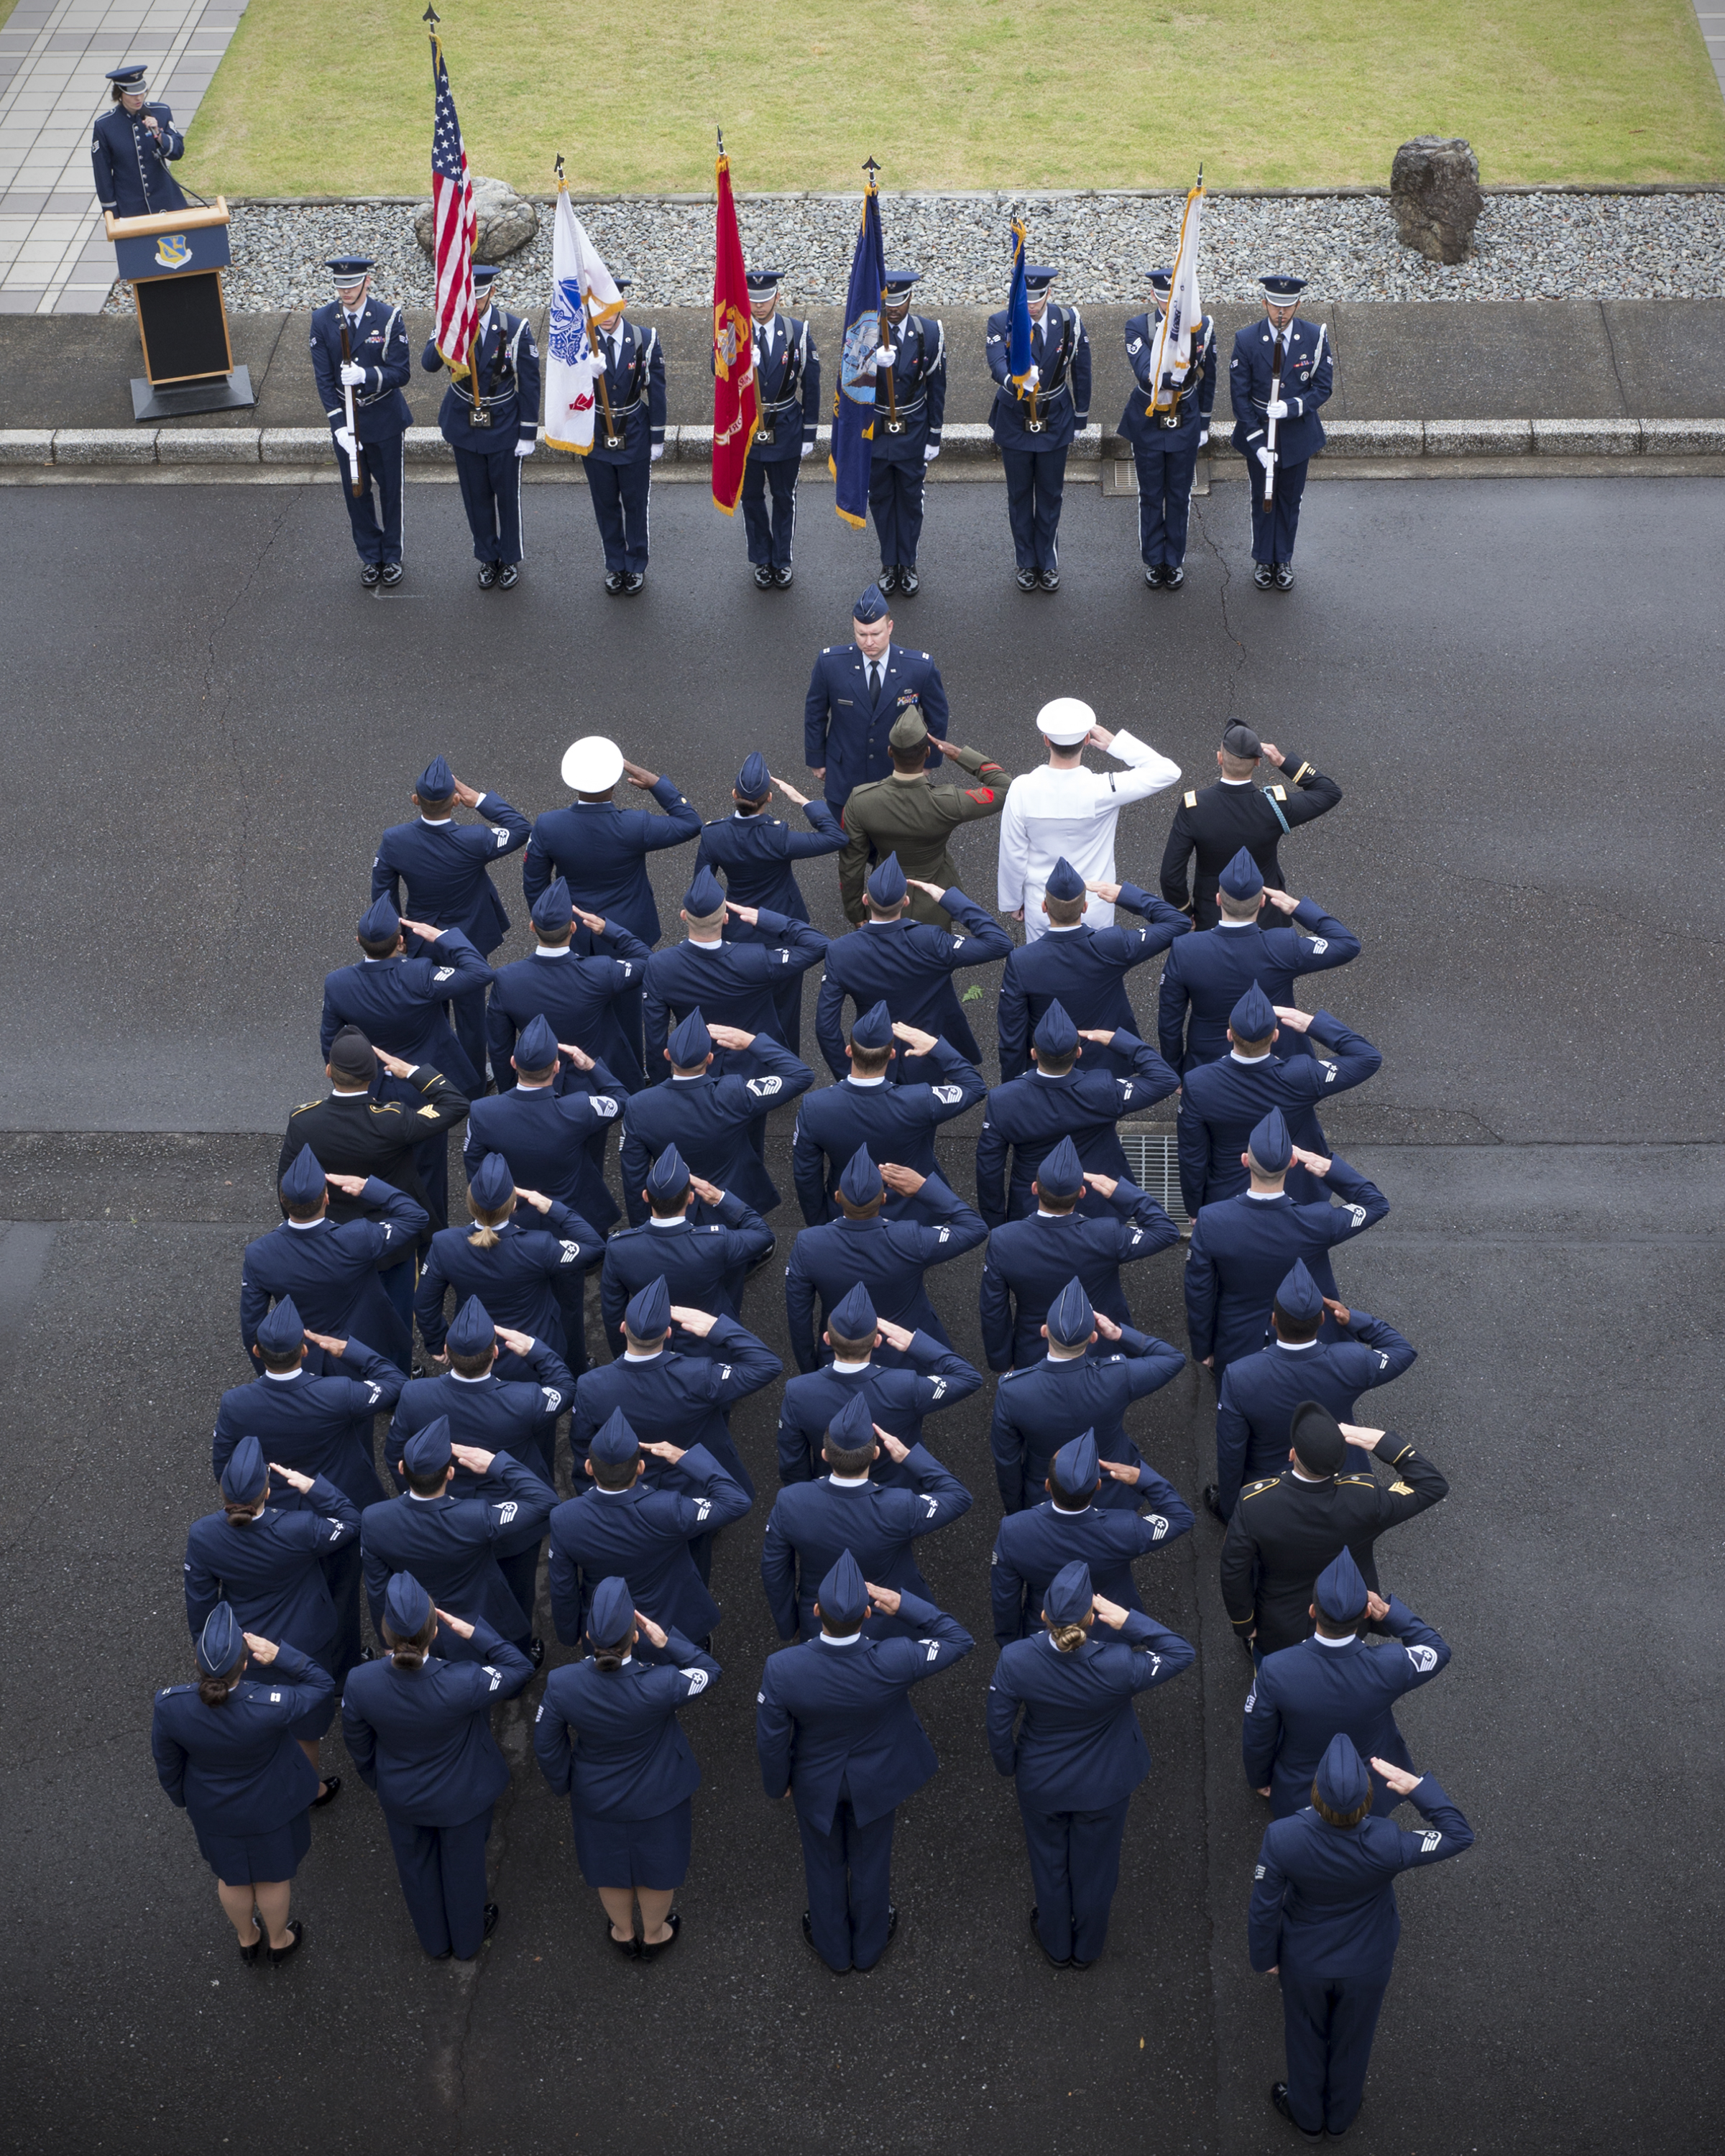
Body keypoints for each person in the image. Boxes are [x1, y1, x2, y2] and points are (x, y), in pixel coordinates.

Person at [756, 1549, 972, 1973]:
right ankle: (869, 1947)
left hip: (815, 1781)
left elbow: (771, 1738)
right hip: (876, 1779)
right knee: (872, 1861)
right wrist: (904, 1602)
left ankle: (833, 1948)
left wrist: (776, 1783)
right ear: (869, 1615)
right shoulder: (895, 1658)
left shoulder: (782, 1668)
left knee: (823, 1864)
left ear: (816, 1612)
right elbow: (958, 1638)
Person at [1249, 1734, 1474, 2139]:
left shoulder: (1283, 1837)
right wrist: (1420, 1789)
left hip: (1305, 1960)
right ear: (1368, 1796)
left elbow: (1265, 1904)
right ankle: (1340, 2117)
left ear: (1315, 1793)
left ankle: (1306, 2116)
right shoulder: (1389, 1843)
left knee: (1304, 2038)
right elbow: (1458, 1835)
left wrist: (1264, 1956)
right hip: (1367, 1961)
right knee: (1354, 2041)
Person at [988, 1560, 1193, 1968]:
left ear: (1044, 1615)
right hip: (1106, 1784)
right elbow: (1179, 1652)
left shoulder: (1015, 1659)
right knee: (1096, 1870)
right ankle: (1087, 1950)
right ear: (1092, 1618)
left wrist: (1011, 1765)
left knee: (1049, 1865)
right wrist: (1127, 1620)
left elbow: (998, 1725)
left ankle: (1056, 1943)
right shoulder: (1118, 1664)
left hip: (1041, 1782)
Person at [342, 1572, 535, 1961]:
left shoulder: (360, 1681)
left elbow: (358, 1744)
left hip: (401, 1794)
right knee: (464, 1872)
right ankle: (467, 1943)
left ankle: (434, 1942)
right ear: (434, 1631)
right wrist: (475, 1633)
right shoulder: (462, 1680)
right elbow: (519, 1666)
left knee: (416, 1870)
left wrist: (379, 1780)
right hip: (464, 1795)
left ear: (386, 1632)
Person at [213, 1296, 402, 1682]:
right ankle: (342, 1663)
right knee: (343, 1588)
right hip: (338, 1502)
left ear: (256, 1352)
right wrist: (350, 1349)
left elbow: (224, 1464)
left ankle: (288, 1659)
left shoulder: (236, 1403)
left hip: (273, 1510)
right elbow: (393, 1382)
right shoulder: (336, 1393)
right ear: (304, 1350)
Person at [534, 1575, 721, 1959]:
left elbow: (546, 1743)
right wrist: (668, 1642)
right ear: (635, 1636)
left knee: (609, 1868)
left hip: (596, 1794)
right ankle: (655, 1933)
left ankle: (622, 1931)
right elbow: (708, 1669)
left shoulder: (562, 1683)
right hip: (661, 1793)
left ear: (588, 1634)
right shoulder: (662, 1683)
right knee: (659, 1866)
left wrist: (563, 1783)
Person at [183, 1438, 359, 1805]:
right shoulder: (300, 1527)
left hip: (243, 1641)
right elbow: (350, 1521)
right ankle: (311, 1789)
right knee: (306, 1723)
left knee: (253, 1711)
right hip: (306, 1637)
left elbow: (200, 1601)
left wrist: (211, 1647)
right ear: (267, 1490)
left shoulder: (203, 1535)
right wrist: (313, 1486)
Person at [151, 1603, 328, 1966]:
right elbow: (321, 1683)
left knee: (232, 1879)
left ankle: (248, 1938)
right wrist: (280, 1655)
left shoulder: (170, 1705)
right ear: (245, 1664)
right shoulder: (271, 1706)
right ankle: (279, 1940)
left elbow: (167, 1763)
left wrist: (181, 1798)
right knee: (273, 1878)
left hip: (213, 1809)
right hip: (271, 1806)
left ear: (199, 1664)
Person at [389, 1295, 575, 1623]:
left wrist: (420, 1503)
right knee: (517, 1599)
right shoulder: (523, 1399)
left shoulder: (415, 1395)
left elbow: (395, 1455)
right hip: (514, 1519)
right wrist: (534, 1348)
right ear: (496, 1352)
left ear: (447, 1352)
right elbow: (564, 1387)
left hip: (445, 1518)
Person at [1220, 1403, 1449, 1660]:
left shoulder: (1255, 1503)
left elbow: (1234, 1569)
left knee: (1273, 1677)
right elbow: (1430, 1484)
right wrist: (1379, 1440)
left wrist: (1244, 1622)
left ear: (1292, 1454)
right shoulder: (1365, 1499)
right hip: (1347, 1617)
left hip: (1278, 1625)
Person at [523, 735, 700, 1062]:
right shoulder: (635, 824)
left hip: (570, 929)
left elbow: (534, 882)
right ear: (615, 783)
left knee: (574, 1001)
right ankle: (632, 1068)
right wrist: (658, 785)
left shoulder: (549, 824)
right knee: (628, 1008)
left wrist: (549, 922)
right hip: (626, 930)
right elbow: (690, 823)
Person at [278, 1027, 467, 1327]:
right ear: (374, 1075)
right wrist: (413, 1072)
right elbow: (455, 1104)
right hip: (393, 1241)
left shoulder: (303, 1121)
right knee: (396, 1319)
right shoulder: (393, 1120)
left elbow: (287, 1188)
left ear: (329, 1071)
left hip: (332, 1241)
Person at [1243, 1549, 1451, 1820]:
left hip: (1300, 1789)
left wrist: (1259, 1778)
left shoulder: (1276, 1669)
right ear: (1367, 1613)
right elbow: (1437, 1649)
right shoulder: (1391, 1665)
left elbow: (1258, 1734)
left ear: (1312, 1611)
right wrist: (1389, 1613)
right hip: (1370, 1789)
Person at [1184, 1111, 1389, 1380]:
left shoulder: (1212, 1220)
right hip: (1310, 1340)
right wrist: (1327, 1167)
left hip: (1238, 1341)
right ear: (1293, 1162)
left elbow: (1198, 1289)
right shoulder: (1318, 1221)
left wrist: (1203, 1347)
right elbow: (1375, 1204)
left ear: (1245, 1161)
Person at [316, 903, 488, 1222]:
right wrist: (445, 938)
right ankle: (430, 1240)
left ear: (358, 941)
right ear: (400, 941)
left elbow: (331, 1042)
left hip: (370, 1089)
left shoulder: (338, 983)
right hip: (425, 1089)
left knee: (378, 1166)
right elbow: (479, 973)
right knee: (429, 1174)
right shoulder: (418, 973)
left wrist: (346, 1084)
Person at [370, 755, 532, 1087]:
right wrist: (481, 800)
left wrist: (397, 933)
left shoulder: (395, 839)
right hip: (469, 936)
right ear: (456, 801)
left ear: (416, 800)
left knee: (429, 1010)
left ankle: (433, 1076)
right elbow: (520, 828)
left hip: (419, 936)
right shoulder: (476, 840)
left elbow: (383, 893)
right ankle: (473, 1079)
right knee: (472, 1013)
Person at [1211, 1259, 1416, 1521]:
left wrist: (1231, 1508)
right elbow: (1401, 1351)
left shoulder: (1240, 1375)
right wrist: (1353, 1319)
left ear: (1273, 1320)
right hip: (1339, 1476)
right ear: (1322, 1319)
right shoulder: (1352, 1361)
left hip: (1270, 1487)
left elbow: (1231, 1450)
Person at [761, 1391, 972, 1641]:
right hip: (888, 1623)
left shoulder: (790, 1502)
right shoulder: (899, 1505)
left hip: (820, 1619)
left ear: (825, 1455)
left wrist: (788, 1626)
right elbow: (958, 1497)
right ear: (875, 1454)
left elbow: (774, 1569)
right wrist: (909, 1456)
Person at [548, 1407, 750, 1652]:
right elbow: (736, 1501)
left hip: (606, 1628)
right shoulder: (667, 1508)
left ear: (589, 1467)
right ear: (641, 1468)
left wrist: (571, 1633)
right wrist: (685, 1458)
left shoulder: (564, 1518)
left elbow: (563, 1586)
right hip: (675, 1624)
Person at [573, 1276, 779, 1513]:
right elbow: (767, 1365)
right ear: (669, 1332)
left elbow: (581, 1443)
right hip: (696, 1485)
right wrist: (716, 1327)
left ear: (622, 1328)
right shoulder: (697, 1376)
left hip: (630, 1490)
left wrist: (592, 1493)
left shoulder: (590, 1385)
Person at [1177, 984, 1381, 1218]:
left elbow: (1191, 1155)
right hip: (1294, 1191)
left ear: (1230, 1035)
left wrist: (1194, 1210)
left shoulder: (1198, 1083)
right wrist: (1310, 1023)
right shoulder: (1301, 1075)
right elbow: (1367, 1058)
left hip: (1228, 1195)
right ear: (1275, 1036)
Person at [361, 1417, 557, 1659]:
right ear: (450, 1473)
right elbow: (544, 1502)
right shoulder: (475, 1517)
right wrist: (497, 1464)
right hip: (481, 1618)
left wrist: (388, 1642)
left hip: (416, 1625)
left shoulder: (373, 1519)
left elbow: (377, 1589)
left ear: (401, 1469)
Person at [979, 1134, 1178, 1372]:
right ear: (1082, 1193)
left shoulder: (1004, 1240)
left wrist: (1001, 1362)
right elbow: (1166, 1231)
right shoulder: (1106, 1234)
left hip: (1035, 1351)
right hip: (1100, 1350)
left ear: (1034, 1189)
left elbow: (993, 1309)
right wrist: (1119, 1191)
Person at [989, 1278, 1185, 1515]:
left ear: (1044, 1332)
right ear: (1094, 1338)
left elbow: (1006, 1461)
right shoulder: (1117, 1377)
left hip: (1045, 1492)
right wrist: (1120, 1334)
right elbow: (1173, 1359)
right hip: (1114, 1489)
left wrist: (1015, 1509)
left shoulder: (1013, 1391)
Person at [976, 1000, 1177, 1230]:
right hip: (1097, 1199)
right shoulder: (1103, 1089)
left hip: (1033, 1204)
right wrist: (1117, 1040)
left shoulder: (1003, 1100)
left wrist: (995, 1222)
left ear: (1033, 1053)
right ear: (1079, 1052)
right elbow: (1165, 1080)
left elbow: (989, 1167)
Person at [785, 1146, 986, 1373]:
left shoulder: (808, 1244)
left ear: (838, 1197)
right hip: (907, 1358)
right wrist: (923, 1187)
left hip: (840, 1357)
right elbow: (975, 1228)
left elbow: (798, 1318)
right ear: (882, 1199)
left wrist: (810, 1369)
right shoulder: (910, 1238)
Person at [1158, 851, 1358, 1075]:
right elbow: (1347, 944)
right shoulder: (1283, 945)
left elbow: (1169, 1021)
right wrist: (1297, 908)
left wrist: (1173, 1071)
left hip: (1208, 1064)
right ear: (1263, 902)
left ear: (1218, 899)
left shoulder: (1185, 949)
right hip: (1278, 1058)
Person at [694, 755, 845, 1051]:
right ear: (771, 798)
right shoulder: (778, 836)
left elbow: (702, 886)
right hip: (783, 927)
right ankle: (785, 1062)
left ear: (734, 795)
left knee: (744, 998)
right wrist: (804, 800)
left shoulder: (713, 834)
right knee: (786, 1005)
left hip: (736, 930)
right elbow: (836, 838)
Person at [996, 699, 1182, 939]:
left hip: (1042, 904)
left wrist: (1012, 901)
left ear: (1046, 740)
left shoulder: (1022, 788)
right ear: (1086, 740)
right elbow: (1168, 772)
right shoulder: (1103, 789)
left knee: (1040, 969)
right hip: (1093, 904)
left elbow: (1012, 853)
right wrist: (1116, 744)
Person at [814, 854, 1011, 1079]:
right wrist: (948, 898)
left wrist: (847, 1074)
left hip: (873, 1055)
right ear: (905, 901)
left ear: (866, 900)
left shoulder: (840, 951)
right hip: (927, 1052)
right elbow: (998, 943)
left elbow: (826, 1026)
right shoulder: (931, 940)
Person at [989, 1431, 1191, 1645]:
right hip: (1108, 1632)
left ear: (1048, 1486)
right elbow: (1179, 1516)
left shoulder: (1013, 1531)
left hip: (1045, 1630)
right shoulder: (1123, 1529)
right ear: (1098, 1486)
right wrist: (1142, 1478)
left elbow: (1005, 1599)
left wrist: (1011, 1645)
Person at [415, 1149, 602, 1379]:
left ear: (470, 1203)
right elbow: (595, 1249)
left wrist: (437, 1342)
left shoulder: (445, 1244)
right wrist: (554, 1208)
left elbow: (425, 1303)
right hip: (533, 1354)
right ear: (514, 1206)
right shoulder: (538, 1246)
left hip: (474, 1351)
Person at [998, 855, 1190, 1079]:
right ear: (1085, 907)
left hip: (1048, 1071)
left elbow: (1012, 1035)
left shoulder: (1022, 961)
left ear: (1044, 907)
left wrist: (1013, 1088)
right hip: (1107, 1069)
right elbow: (1178, 922)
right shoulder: (1112, 946)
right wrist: (1123, 895)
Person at [240, 1147, 426, 1376]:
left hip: (300, 1360)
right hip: (356, 1352)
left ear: (282, 1199)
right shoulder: (357, 1238)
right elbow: (415, 1216)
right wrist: (369, 1187)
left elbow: (252, 1327)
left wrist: (272, 1375)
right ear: (327, 1198)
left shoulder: (258, 1253)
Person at [775, 1284, 983, 1488]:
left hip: (830, 1496)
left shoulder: (797, 1391)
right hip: (896, 1493)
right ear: (876, 1341)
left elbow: (793, 1463)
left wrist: (806, 1499)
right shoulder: (903, 1385)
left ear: (828, 1339)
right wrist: (914, 1343)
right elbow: (968, 1378)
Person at [792, 1008, 984, 1227]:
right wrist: (935, 1046)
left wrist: (819, 1224)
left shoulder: (814, 1107)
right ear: (892, 1054)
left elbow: (806, 1175)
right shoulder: (919, 1101)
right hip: (916, 1214)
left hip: (846, 1213)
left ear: (849, 1051)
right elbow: (974, 1087)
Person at [619, 1010, 811, 1225]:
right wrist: (751, 1042)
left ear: (667, 1055)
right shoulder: (733, 1094)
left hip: (672, 1207)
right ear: (710, 1059)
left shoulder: (638, 1106)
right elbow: (800, 1075)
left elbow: (633, 1176)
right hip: (731, 1202)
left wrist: (643, 1231)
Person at [420, 263, 540, 588]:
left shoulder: (515, 329)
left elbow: (529, 383)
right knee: (476, 496)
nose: (475, 303)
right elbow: (429, 365)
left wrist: (528, 432)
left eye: (480, 296)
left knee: (506, 497)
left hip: (502, 425)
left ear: (492, 293)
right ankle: (488, 557)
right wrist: (446, 329)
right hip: (464, 423)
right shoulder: (451, 325)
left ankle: (510, 558)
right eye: (469, 297)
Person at [1159, 722, 1343, 929]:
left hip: (1212, 917)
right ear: (1258, 761)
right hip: (1267, 918)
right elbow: (1329, 792)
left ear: (1220, 759)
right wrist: (1283, 762)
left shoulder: (1194, 807)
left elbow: (1170, 875)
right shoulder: (1274, 806)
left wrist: (1184, 912)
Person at [640, 867, 828, 1072]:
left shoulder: (659, 965)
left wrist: (664, 1087)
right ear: (726, 919)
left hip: (698, 1066)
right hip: (753, 1066)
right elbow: (819, 946)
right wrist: (766, 919)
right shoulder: (754, 959)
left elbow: (655, 1038)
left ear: (684, 916)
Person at [837, 709, 1008, 926]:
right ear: (928, 753)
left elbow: (851, 865)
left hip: (885, 894)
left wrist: (856, 913)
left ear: (890, 751)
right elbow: (1005, 787)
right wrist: (960, 755)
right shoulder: (949, 802)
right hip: (936, 898)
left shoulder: (861, 800)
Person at [486, 877, 652, 1099]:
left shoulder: (506, 979)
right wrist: (608, 929)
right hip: (593, 1087)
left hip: (537, 1087)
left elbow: (499, 1048)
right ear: (573, 927)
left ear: (532, 927)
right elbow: (648, 962)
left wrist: (512, 1095)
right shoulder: (600, 970)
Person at [462, 1013, 623, 1235]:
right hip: (569, 1221)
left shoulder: (482, 1112)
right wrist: (590, 1066)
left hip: (512, 1220)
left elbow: (474, 1163)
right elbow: (621, 1100)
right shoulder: (579, 1109)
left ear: (513, 1063)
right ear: (557, 1067)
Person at [602, 1144, 773, 1349]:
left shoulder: (618, 1248)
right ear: (691, 1198)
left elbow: (613, 1313)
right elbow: (763, 1235)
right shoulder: (715, 1242)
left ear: (646, 1197)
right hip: (710, 1345)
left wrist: (628, 1357)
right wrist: (720, 1198)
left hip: (651, 1345)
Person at [985, 263, 1092, 591]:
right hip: (1015, 417)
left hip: (1055, 415)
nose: (1032, 305)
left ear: (1050, 293)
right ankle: (1026, 563)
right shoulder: (1002, 321)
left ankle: (1047, 561)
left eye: (1038, 297)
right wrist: (1014, 380)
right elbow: (996, 361)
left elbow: (1082, 368)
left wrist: (1081, 416)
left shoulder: (1069, 321)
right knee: (1019, 496)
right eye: (1026, 298)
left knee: (1050, 494)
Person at [309, 256, 414, 587]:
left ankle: (392, 555)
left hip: (383, 416)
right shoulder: (322, 320)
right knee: (356, 491)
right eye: (340, 286)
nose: (345, 292)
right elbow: (324, 378)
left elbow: (401, 372)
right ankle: (371, 556)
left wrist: (366, 375)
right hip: (347, 421)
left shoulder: (387, 317)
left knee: (390, 491)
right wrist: (337, 424)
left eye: (352, 285)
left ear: (367, 281)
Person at [804, 585, 949, 817]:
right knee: (849, 847)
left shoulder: (919, 668)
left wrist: (929, 762)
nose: (868, 642)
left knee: (892, 848)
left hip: (897, 776)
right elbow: (815, 714)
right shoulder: (830, 664)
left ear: (890, 627)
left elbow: (937, 718)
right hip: (844, 776)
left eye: (875, 634)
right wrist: (816, 758)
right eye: (861, 634)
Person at [1229, 273, 1333, 591]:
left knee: (1290, 499)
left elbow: (1323, 387)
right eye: (1275, 306)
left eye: (1288, 307)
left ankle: (1283, 558)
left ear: (1298, 305)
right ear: (1264, 304)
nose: (1281, 313)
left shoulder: (1314, 337)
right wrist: (1256, 442)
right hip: (1260, 430)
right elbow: (1240, 397)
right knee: (1263, 497)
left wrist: (1295, 406)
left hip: (1297, 434)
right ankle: (1263, 559)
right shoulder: (1247, 340)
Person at [1118, 264, 1216, 590]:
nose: (1168, 305)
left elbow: (1209, 377)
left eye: (1173, 299)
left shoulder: (1202, 328)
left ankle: (1173, 560)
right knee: (1150, 494)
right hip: (1148, 417)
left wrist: (1204, 422)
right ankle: (1153, 558)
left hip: (1185, 416)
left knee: (1178, 494)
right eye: (1163, 299)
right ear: (1154, 296)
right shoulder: (1138, 327)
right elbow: (1145, 368)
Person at [865, 271, 947, 596]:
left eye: (899, 302)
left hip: (913, 430)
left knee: (911, 501)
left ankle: (908, 562)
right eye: (888, 303)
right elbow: (849, 384)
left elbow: (937, 388)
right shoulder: (866, 331)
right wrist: (872, 363)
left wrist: (935, 436)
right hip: (878, 432)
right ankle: (889, 563)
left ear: (910, 298)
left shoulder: (929, 332)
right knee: (882, 499)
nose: (893, 309)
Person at [737, 269, 821, 588]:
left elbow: (811, 384)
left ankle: (782, 559)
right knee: (752, 497)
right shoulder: (735, 331)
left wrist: (810, 432)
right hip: (748, 429)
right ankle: (762, 558)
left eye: (765, 299)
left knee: (785, 497)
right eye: (753, 300)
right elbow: (718, 373)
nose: (759, 307)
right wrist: (739, 359)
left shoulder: (797, 332)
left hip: (786, 425)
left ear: (777, 297)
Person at [583, 280, 666, 594]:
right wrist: (582, 373)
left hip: (634, 430)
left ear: (623, 303)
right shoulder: (582, 341)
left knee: (634, 503)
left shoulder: (645, 338)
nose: (605, 314)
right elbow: (565, 388)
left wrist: (657, 437)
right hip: (596, 431)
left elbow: (657, 391)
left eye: (611, 306)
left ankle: (635, 563)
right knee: (605, 503)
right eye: (598, 307)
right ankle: (614, 564)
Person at [91, 65, 186, 219]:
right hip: (130, 207)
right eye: (133, 94)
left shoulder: (161, 112)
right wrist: (112, 214)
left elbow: (178, 152)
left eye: (141, 92)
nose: (139, 98)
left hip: (166, 202)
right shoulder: (105, 126)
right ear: (120, 94)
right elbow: (102, 174)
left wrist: (159, 135)